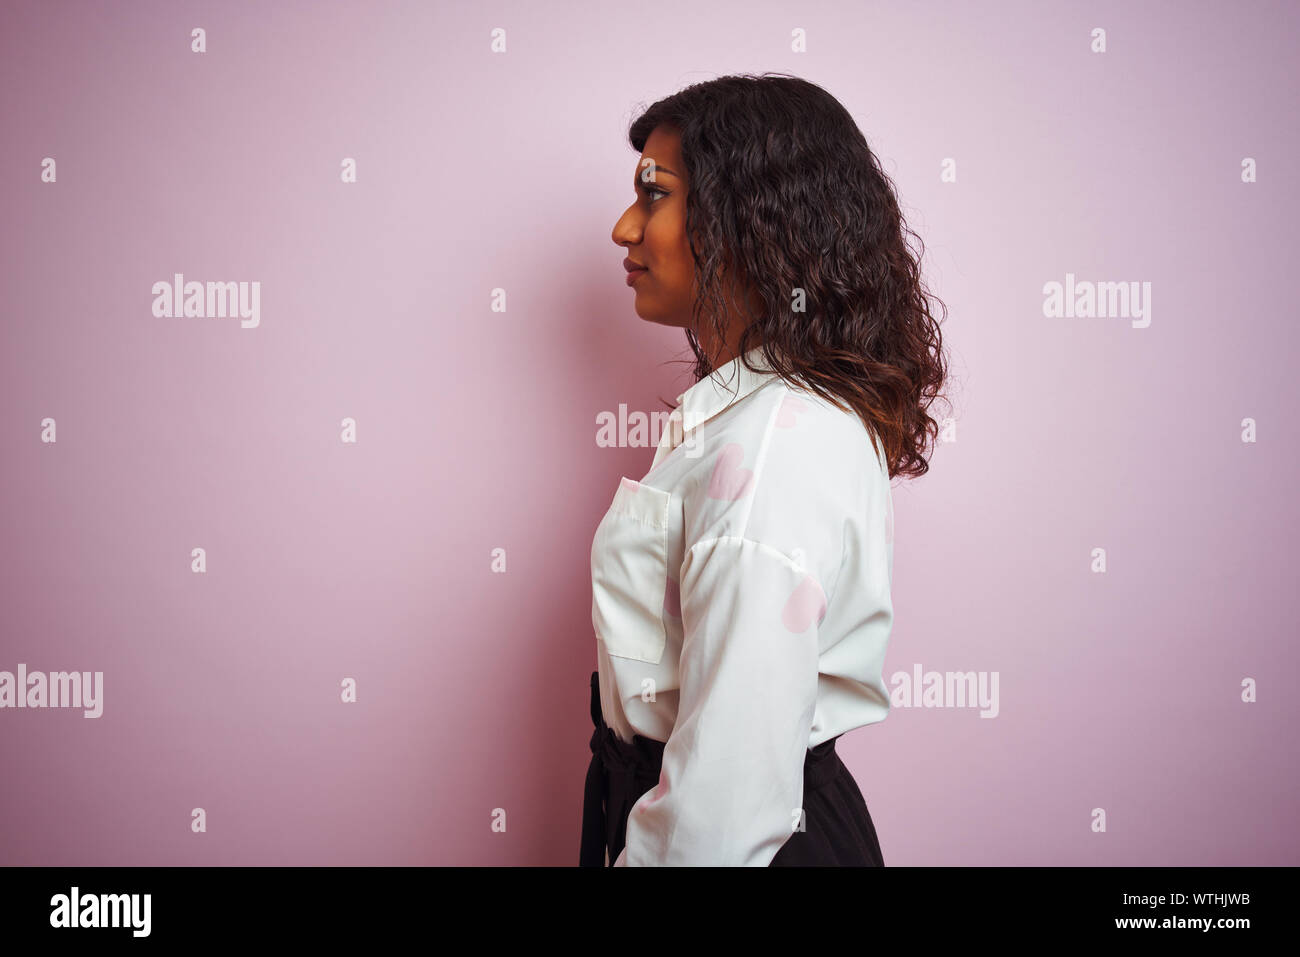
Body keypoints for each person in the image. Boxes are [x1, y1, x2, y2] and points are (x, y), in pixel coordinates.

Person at [582, 73, 951, 867]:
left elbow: (722, 811)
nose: (623, 228)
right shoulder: (756, 414)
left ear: (750, 218)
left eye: (655, 195)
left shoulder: (777, 442)